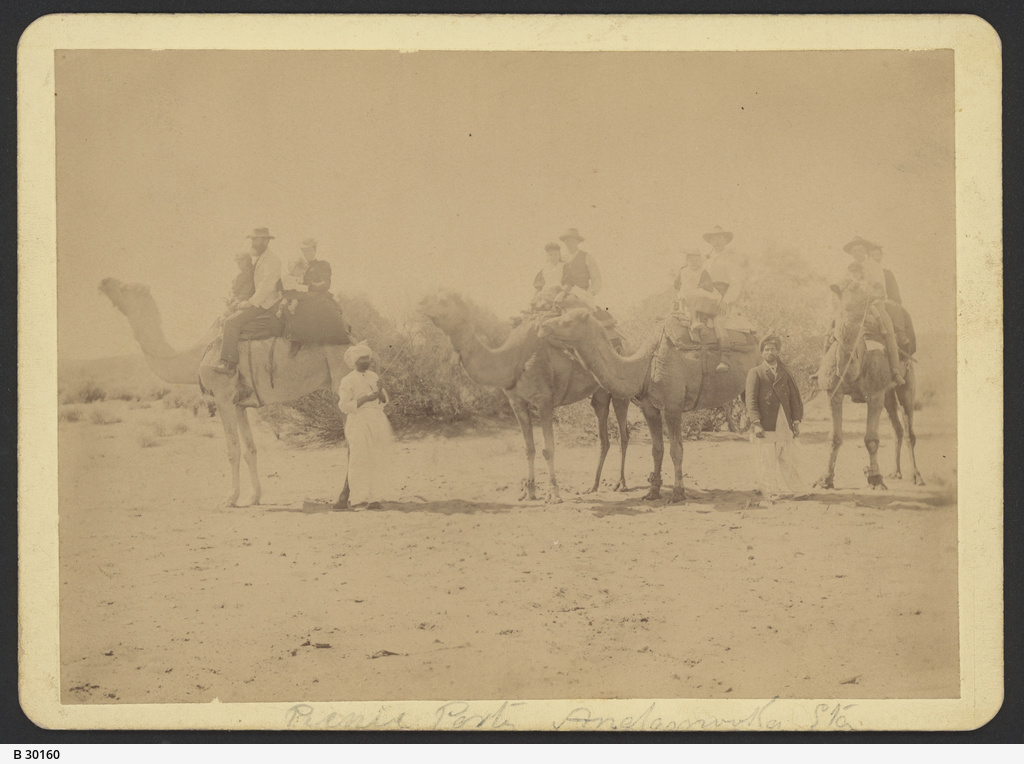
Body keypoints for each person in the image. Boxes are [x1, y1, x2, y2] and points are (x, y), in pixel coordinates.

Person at [745, 336, 806, 503]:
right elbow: (750, 400)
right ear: (762, 352)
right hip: (766, 423)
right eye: (766, 350)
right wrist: (756, 423)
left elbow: (794, 398)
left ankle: (798, 489)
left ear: (777, 351)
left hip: (784, 422)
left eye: (772, 349)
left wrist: (796, 421)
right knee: (767, 459)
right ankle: (771, 491)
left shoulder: (785, 373)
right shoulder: (755, 372)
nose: (770, 352)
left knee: (788, 457)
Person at [214, 227, 282, 374]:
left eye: (255, 239)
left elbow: (267, 286)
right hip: (259, 300)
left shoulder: (272, 260)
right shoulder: (259, 258)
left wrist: (250, 302)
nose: (253, 242)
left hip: (265, 303)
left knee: (231, 322)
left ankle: (229, 363)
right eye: (252, 239)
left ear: (265, 241)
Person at [336, 344, 393, 510]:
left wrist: (380, 389)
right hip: (358, 420)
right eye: (362, 359)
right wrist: (366, 399)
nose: (366, 361)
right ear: (354, 361)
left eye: (367, 358)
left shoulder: (374, 376)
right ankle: (357, 499)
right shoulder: (347, 380)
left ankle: (374, 498)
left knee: (376, 458)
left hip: (376, 419)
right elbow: (344, 406)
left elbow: (384, 401)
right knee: (358, 458)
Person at [842, 236, 905, 385]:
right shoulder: (849, 268)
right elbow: (844, 287)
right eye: (854, 250)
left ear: (865, 250)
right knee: (833, 327)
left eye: (860, 249)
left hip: (874, 305)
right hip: (853, 308)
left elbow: (880, 289)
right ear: (851, 253)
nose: (857, 253)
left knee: (888, 329)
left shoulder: (874, 266)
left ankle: (895, 370)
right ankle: (829, 368)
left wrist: (870, 297)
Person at [278, 237, 348, 356]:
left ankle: (298, 339)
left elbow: (326, 284)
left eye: (309, 250)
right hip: (300, 295)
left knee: (306, 308)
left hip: (317, 294)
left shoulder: (322, 265)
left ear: (314, 250)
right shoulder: (298, 265)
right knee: (287, 307)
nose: (307, 254)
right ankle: (292, 338)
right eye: (304, 251)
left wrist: (310, 286)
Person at [703, 225, 741, 372]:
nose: (716, 241)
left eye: (719, 238)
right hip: (707, 296)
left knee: (719, 321)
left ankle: (725, 356)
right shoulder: (707, 259)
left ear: (725, 240)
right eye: (713, 238)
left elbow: (736, 283)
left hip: (723, 296)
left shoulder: (730, 259)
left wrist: (726, 301)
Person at [673, 250, 718, 342]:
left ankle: (699, 321)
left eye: (697, 260)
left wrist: (703, 286)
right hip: (686, 291)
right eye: (691, 260)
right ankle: (689, 318)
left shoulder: (702, 271)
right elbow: (677, 283)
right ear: (687, 261)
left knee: (703, 298)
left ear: (700, 262)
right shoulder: (683, 270)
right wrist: (680, 286)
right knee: (684, 295)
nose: (694, 263)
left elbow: (708, 285)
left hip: (698, 291)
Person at [559, 228, 601, 310]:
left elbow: (596, 278)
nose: (569, 243)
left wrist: (591, 292)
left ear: (577, 242)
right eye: (567, 241)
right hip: (563, 293)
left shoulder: (587, 257)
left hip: (581, 292)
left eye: (572, 241)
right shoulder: (561, 259)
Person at [532, 242, 566, 309]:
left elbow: (568, 283)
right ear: (547, 256)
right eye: (550, 254)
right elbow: (538, 287)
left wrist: (562, 293)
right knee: (535, 302)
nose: (553, 257)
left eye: (555, 254)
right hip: (546, 292)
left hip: (560, 290)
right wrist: (534, 298)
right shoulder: (544, 269)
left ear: (559, 255)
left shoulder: (564, 266)